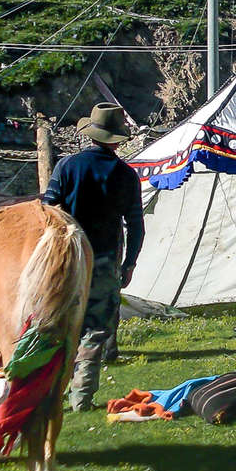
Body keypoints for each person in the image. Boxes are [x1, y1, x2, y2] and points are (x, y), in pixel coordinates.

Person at [40, 103, 145, 411]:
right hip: (104, 259)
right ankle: (81, 396)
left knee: (57, 324)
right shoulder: (126, 175)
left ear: (91, 134)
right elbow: (136, 223)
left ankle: (50, 389)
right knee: (95, 328)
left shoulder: (66, 167)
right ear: (116, 140)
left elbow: (48, 211)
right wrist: (129, 263)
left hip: (65, 258)